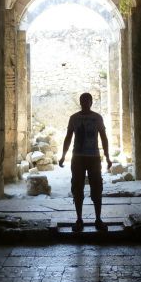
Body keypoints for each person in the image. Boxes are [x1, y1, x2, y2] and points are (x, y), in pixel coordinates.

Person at [59, 92, 112, 232]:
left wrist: (107, 156)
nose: (85, 103)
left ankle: (98, 219)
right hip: (78, 157)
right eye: (83, 101)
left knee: (97, 188)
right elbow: (68, 137)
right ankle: (79, 219)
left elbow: (104, 138)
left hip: (93, 157)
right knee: (77, 188)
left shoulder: (97, 118)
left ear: (91, 102)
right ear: (80, 102)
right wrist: (63, 156)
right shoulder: (74, 118)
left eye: (87, 101)